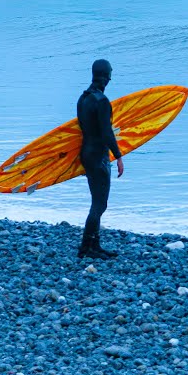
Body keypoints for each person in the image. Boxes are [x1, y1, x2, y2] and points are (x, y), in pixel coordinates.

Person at [76, 58, 124, 259]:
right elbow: (106, 132)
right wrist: (119, 156)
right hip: (99, 157)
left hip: (86, 153)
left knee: (97, 201)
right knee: (99, 204)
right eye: (110, 74)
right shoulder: (102, 102)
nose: (111, 78)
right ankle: (88, 247)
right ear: (106, 76)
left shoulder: (83, 98)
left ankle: (91, 246)